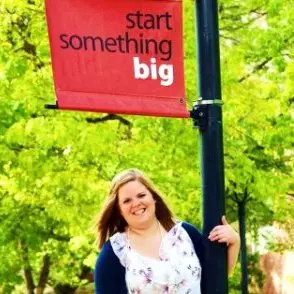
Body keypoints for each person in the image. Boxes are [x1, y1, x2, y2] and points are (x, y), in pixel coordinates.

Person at [94, 169, 240, 294]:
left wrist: (235, 242)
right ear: (118, 209)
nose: (136, 203)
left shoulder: (185, 234)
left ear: (154, 198)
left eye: (141, 195)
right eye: (127, 201)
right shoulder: (113, 253)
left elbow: (215, 278)